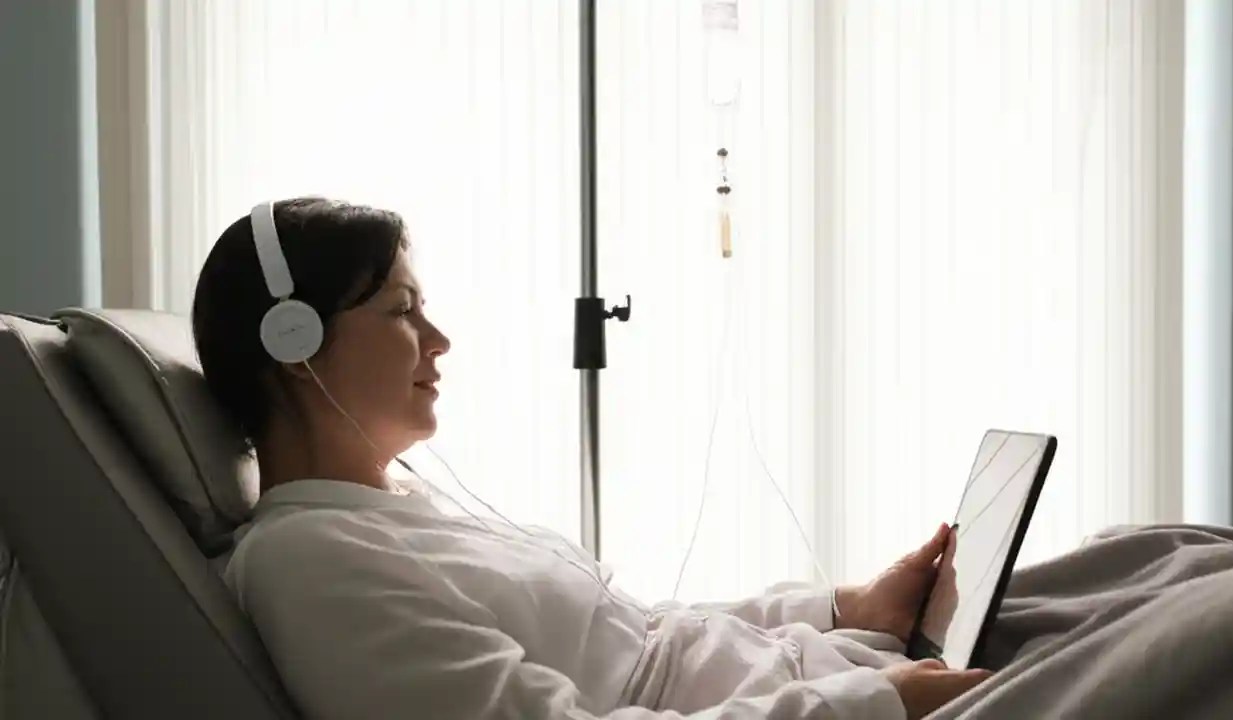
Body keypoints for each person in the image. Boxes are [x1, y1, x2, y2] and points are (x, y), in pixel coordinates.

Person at [193, 197, 991, 720]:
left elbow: (641, 638)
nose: (438, 340)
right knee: (1117, 636)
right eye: (402, 311)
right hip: (836, 704)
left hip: (823, 675)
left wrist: (844, 608)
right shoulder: (312, 564)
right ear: (293, 344)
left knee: (1107, 566)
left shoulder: (397, 510)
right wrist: (872, 706)